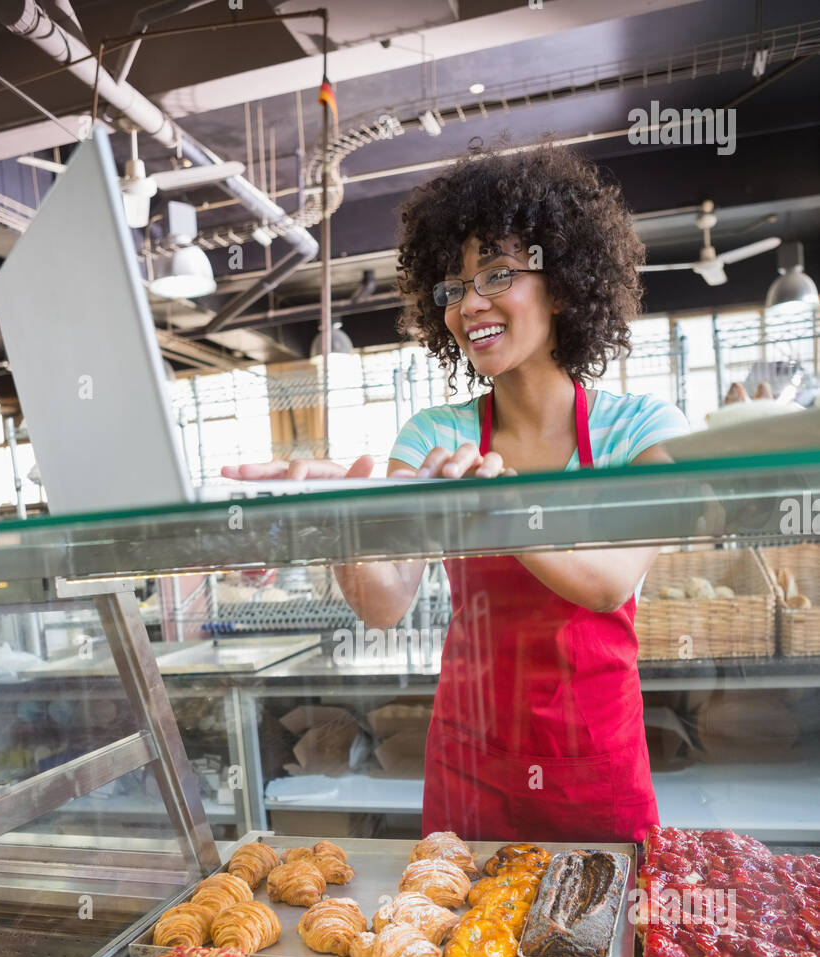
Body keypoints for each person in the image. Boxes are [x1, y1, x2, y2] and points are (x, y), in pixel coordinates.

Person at [224, 145, 690, 842]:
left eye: (497, 274)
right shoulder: (434, 433)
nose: (469, 304)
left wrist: (491, 504)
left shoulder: (641, 430)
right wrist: (342, 522)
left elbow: (607, 584)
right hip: (471, 768)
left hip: (593, 763)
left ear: (561, 283)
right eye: (453, 287)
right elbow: (383, 602)